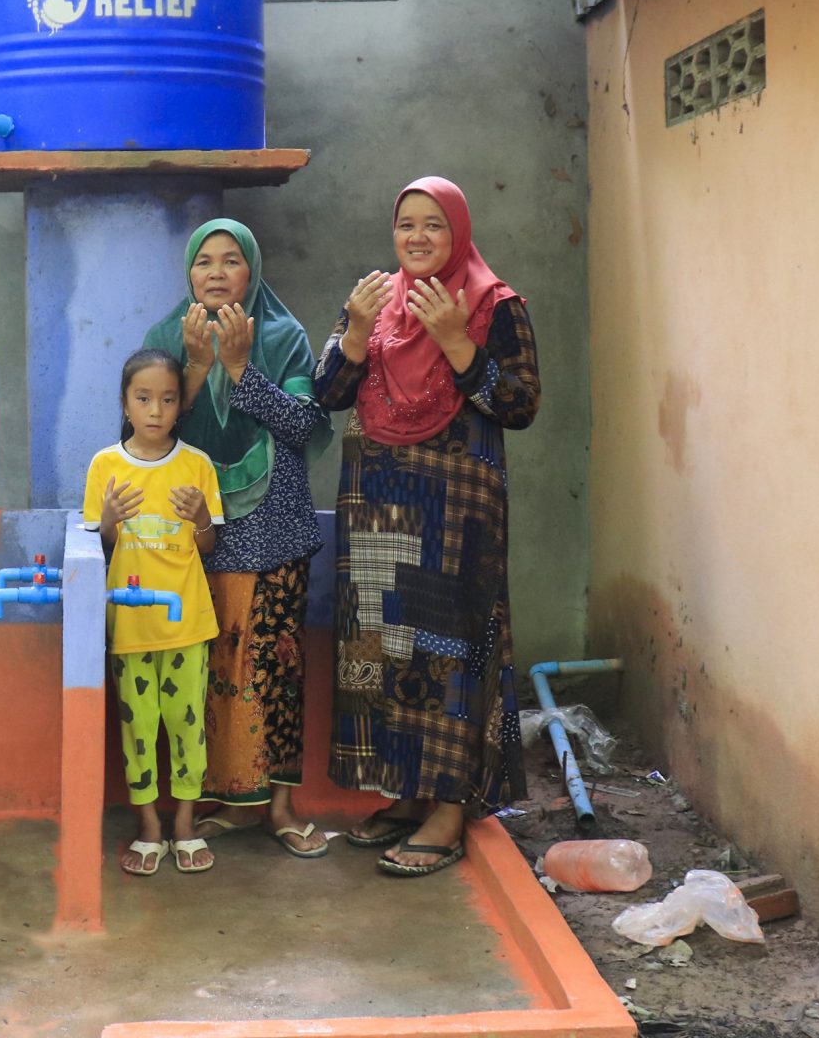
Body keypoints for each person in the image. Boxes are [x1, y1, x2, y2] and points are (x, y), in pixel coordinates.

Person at [312, 177, 540, 877]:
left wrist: (455, 342)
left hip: (455, 518)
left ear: (459, 233)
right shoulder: (380, 303)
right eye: (406, 223)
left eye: (433, 225)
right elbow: (328, 394)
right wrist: (353, 331)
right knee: (389, 649)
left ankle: (448, 808)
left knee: (447, 650)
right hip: (379, 507)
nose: (417, 238)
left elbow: (521, 402)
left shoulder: (493, 305)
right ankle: (410, 791)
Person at [141, 220, 331, 858]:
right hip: (195, 531)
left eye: (231, 261)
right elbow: (153, 429)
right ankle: (228, 799)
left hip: (274, 530)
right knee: (210, 670)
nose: (217, 272)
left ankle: (277, 807)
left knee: (275, 668)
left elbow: (304, 424)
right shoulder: (167, 337)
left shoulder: (283, 335)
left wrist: (243, 368)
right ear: (189, 274)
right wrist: (195, 367)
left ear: (251, 271)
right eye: (204, 262)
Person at [83, 348, 224, 876]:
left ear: (179, 405)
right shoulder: (106, 467)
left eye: (167, 399)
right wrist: (111, 521)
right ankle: (149, 827)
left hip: (187, 625)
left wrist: (204, 518)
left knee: (187, 728)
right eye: (144, 399)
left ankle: (184, 825)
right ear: (125, 403)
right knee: (138, 728)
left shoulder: (196, 466)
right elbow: (103, 545)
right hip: (130, 626)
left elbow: (207, 547)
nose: (156, 410)